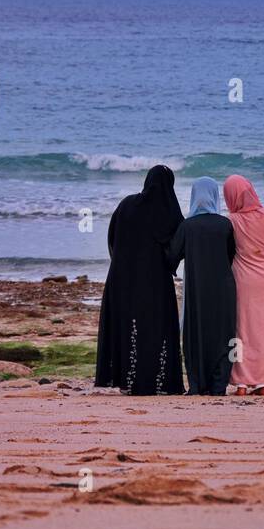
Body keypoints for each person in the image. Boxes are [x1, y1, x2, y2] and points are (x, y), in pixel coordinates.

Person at [95, 165, 185, 395]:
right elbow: (177, 249)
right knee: (155, 327)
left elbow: (112, 238)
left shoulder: (126, 205)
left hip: (122, 278)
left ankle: (126, 380)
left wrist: (121, 263)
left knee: (128, 326)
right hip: (155, 280)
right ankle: (156, 381)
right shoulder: (169, 212)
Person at [168, 177, 237, 395]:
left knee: (195, 334)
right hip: (223, 289)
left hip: (196, 289)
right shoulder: (225, 224)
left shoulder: (187, 226)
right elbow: (231, 255)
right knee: (223, 335)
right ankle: (218, 386)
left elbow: (172, 256)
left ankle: (196, 385)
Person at [222, 174, 264, 396]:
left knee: (239, 331)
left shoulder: (231, 220)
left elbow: (227, 253)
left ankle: (240, 382)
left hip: (241, 281)